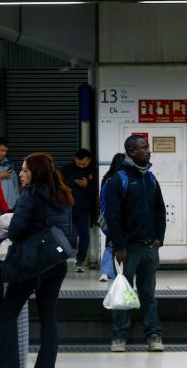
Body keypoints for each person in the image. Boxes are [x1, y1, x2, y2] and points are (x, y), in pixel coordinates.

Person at [0, 152, 73, 368]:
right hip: (55, 262)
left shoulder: (30, 195)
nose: (21, 174)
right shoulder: (63, 194)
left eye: (24, 170)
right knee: (48, 318)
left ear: (35, 173)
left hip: (32, 264)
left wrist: (8, 225)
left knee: (8, 313)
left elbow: (16, 231)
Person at [105, 135, 166, 353]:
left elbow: (159, 208)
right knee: (123, 293)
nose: (148, 151)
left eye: (147, 147)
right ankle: (119, 337)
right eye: (143, 147)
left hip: (150, 247)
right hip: (127, 249)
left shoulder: (150, 178)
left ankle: (154, 335)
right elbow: (112, 216)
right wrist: (119, 246)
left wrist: (160, 237)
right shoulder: (118, 179)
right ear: (132, 151)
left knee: (148, 293)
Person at [61, 148, 98, 272]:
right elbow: (58, 186)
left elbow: (96, 192)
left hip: (84, 210)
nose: (82, 166)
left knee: (84, 235)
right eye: (79, 163)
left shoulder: (93, 171)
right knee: (61, 235)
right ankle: (59, 258)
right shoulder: (66, 170)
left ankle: (80, 260)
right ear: (75, 159)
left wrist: (87, 186)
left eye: (84, 164)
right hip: (66, 208)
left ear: (89, 161)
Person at [98, 153, 127, 282]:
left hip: (105, 216)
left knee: (110, 244)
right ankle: (113, 271)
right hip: (119, 217)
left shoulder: (107, 178)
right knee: (117, 245)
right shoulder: (123, 178)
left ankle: (106, 272)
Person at [0, 138, 19, 209]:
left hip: (12, 206)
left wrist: (17, 199)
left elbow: (15, 183)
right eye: (2, 150)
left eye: (6, 151)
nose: (4, 153)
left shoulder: (10, 164)